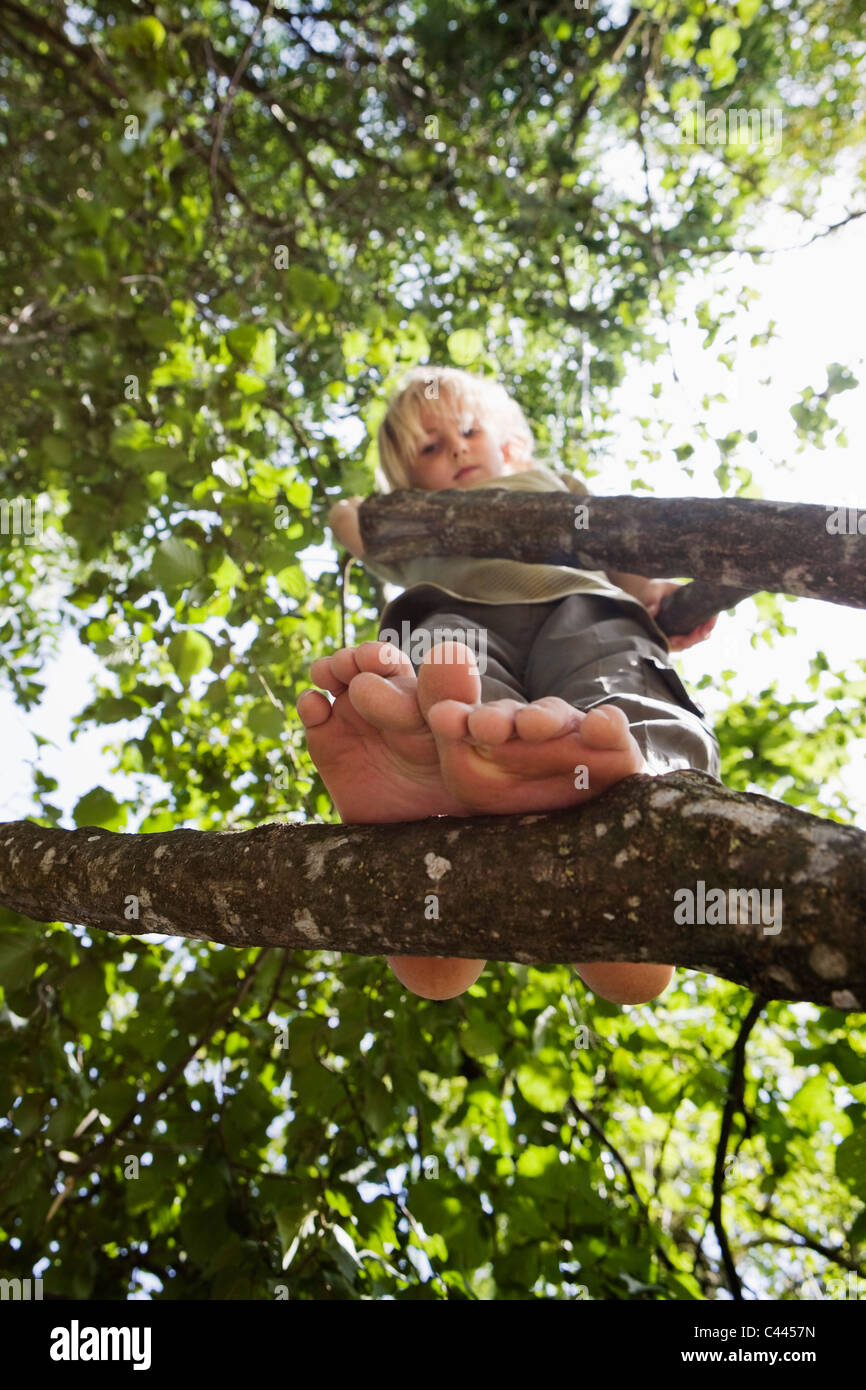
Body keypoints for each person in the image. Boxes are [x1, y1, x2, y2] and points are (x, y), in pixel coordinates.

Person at [297, 367, 719, 1004]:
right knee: (456, 705)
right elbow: (348, 519)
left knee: (617, 696)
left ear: (514, 446)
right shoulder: (417, 522)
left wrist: (653, 593)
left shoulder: (554, 485)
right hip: (452, 618)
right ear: (410, 481)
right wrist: (403, 508)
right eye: (430, 448)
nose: (457, 449)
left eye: (468, 431)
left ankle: (642, 793)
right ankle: (442, 807)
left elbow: (618, 547)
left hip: (582, 606)